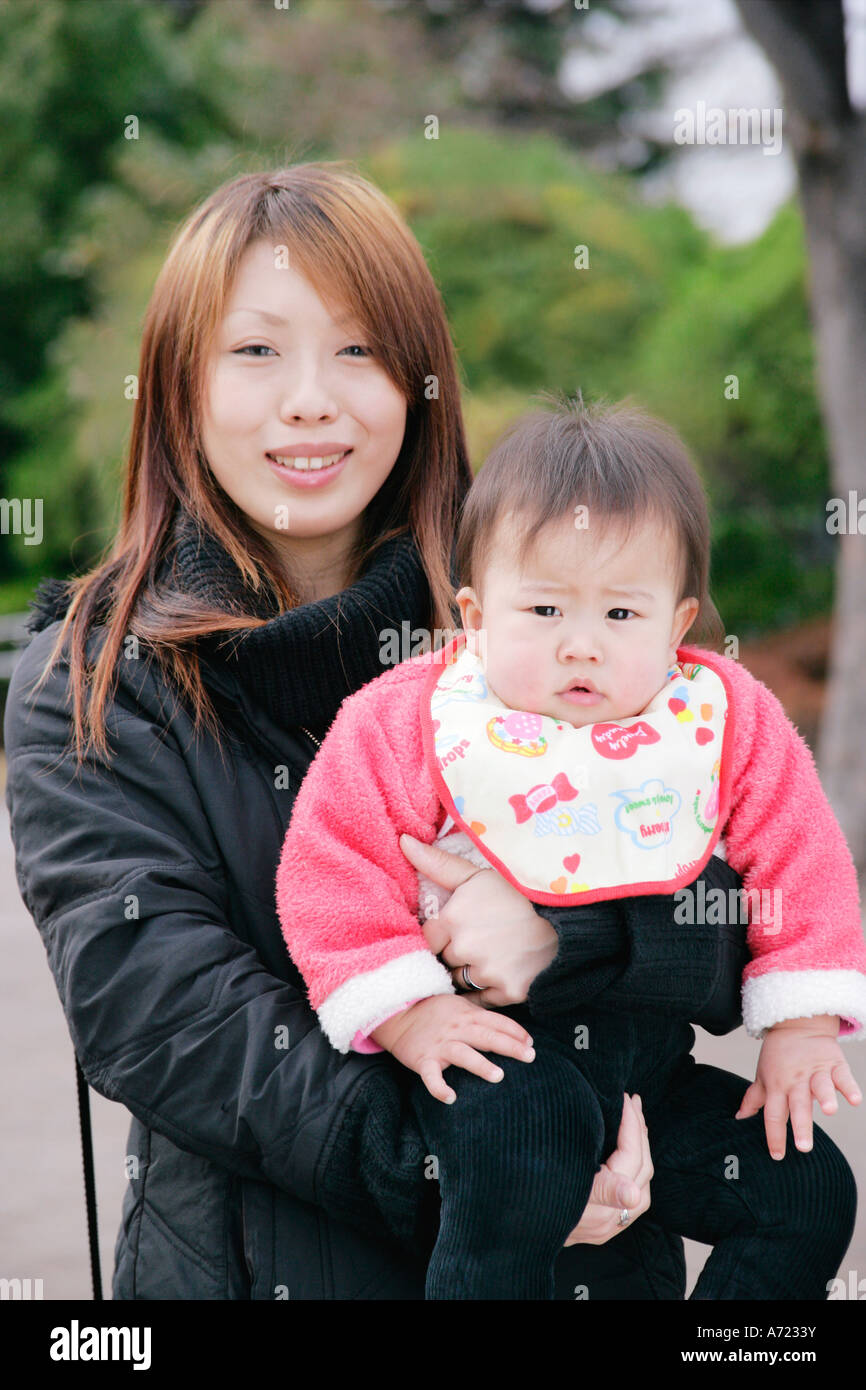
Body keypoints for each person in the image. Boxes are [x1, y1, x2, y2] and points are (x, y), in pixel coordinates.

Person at [5, 161, 746, 1301]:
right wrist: (484, 1174)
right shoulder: (98, 677)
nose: (311, 399)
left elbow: (741, 909)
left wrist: (562, 938)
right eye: (256, 353)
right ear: (178, 386)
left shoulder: (551, 610)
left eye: (356, 350)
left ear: (417, 382)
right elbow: (152, 1009)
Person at [276, 398, 864, 1300]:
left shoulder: (721, 721)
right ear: (475, 613)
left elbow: (801, 859)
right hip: (500, 1061)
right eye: (544, 608)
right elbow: (332, 867)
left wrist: (801, 1021)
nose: (581, 645)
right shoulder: (414, 718)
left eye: (622, 615)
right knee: (526, 1156)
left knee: (810, 1188)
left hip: (654, 1075)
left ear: (678, 626)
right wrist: (409, 1013)